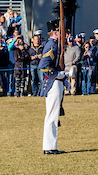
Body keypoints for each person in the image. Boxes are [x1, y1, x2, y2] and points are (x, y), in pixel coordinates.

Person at [40, 23, 67, 155]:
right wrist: (57, 74)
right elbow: (43, 66)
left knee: (53, 115)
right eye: (60, 32)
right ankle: (49, 147)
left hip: (55, 83)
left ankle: (50, 146)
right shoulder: (51, 46)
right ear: (55, 33)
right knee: (52, 116)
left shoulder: (54, 45)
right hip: (53, 83)